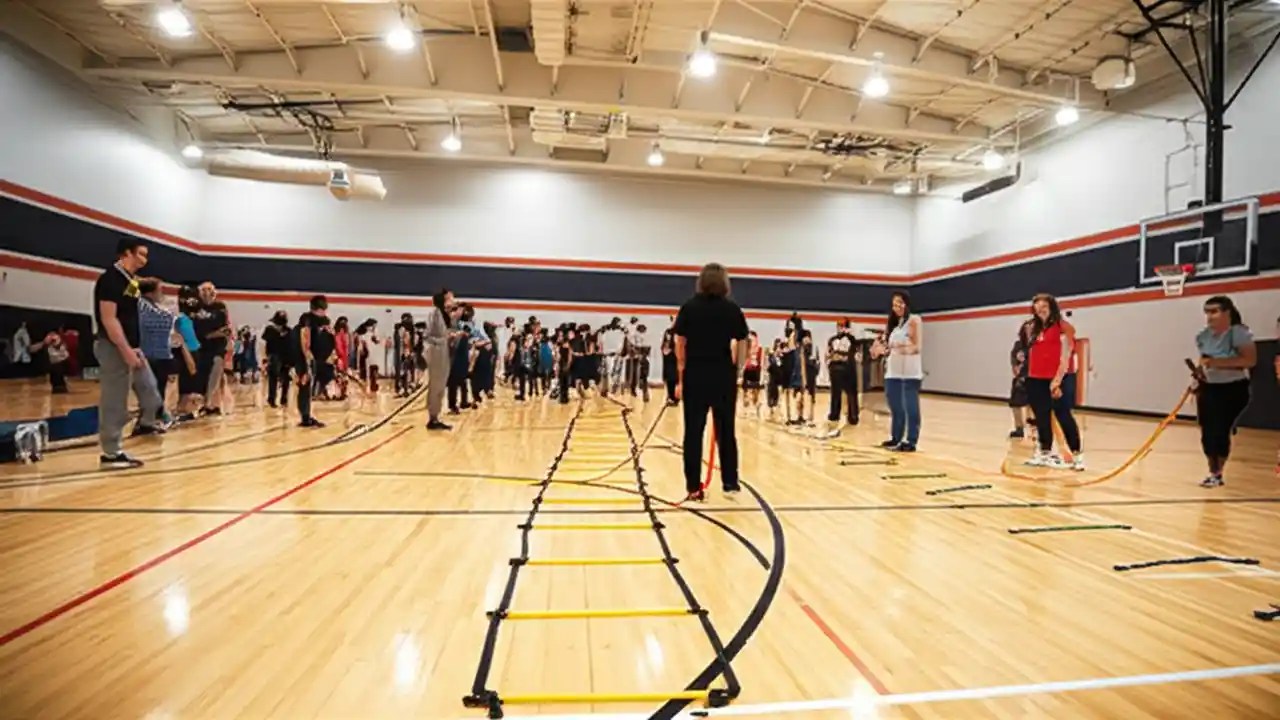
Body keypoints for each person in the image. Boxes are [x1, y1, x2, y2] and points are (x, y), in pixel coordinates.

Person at [674, 263, 749, 501]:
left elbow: (680, 342)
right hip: (723, 376)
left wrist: (682, 368)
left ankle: (693, 486)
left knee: (693, 432)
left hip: (696, 375)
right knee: (726, 430)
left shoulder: (689, 308)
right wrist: (738, 369)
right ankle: (730, 482)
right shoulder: (732, 309)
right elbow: (743, 341)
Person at [93, 237, 164, 468]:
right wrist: (124, 349)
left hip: (131, 347)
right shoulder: (110, 280)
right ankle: (111, 453)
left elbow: (130, 316)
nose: (145, 259)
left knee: (150, 390)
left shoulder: (131, 282)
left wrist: (135, 348)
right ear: (126, 253)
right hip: (113, 346)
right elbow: (109, 319)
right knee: (114, 399)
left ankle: (146, 423)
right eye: (141, 254)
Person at [1193, 296, 1256, 488]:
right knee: (1207, 432)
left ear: (1227, 313)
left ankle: (1218, 473)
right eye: (1207, 312)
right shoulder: (1203, 336)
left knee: (1220, 430)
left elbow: (1249, 361)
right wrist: (1198, 375)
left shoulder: (1238, 333)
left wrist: (1218, 364)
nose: (1210, 317)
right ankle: (1213, 471)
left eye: (1214, 312)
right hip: (1209, 387)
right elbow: (1203, 361)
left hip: (1232, 388)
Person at [1023, 293, 1084, 469]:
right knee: (1041, 416)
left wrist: (1057, 380)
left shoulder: (1064, 328)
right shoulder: (1033, 328)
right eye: (1037, 308)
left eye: (1044, 307)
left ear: (1052, 308)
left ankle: (1077, 456)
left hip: (1060, 377)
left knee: (1063, 415)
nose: (1040, 311)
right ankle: (1044, 453)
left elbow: (1065, 357)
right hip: (1036, 378)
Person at [873, 290, 923, 452]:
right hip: (893, 373)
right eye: (894, 304)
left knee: (910, 407)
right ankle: (896, 437)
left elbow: (917, 347)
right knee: (895, 408)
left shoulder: (914, 320)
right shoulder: (894, 326)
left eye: (900, 303)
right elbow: (886, 348)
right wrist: (880, 349)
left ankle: (911, 440)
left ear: (907, 303)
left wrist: (900, 348)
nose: (897, 307)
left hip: (909, 374)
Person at [137, 279, 177, 422]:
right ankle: (150, 418)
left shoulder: (150, 305)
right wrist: (170, 312)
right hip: (151, 353)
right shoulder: (142, 305)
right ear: (151, 292)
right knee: (152, 389)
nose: (162, 293)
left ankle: (158, 414)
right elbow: (162, 320)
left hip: (160, 353)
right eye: (160, 290)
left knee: (159, 388)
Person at [194, 282, 232, 415]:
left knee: (216, 367)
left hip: (218, 347)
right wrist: (212, 334)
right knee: (206, 375)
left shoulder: (220, 307)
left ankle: (209, 402)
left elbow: (226, 328)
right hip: (202, 346)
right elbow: (199, 331)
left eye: (209, 289)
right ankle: (212, 404)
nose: (206, 292)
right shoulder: (196, 308)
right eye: (204, 290)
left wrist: (222, 336)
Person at [291, 295, 328, 428]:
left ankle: (307, 415)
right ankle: (305, 418)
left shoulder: (320, 321)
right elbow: (304, 340)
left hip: (311, 358)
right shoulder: (307, 320)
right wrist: (307, 360)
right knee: (305, 385)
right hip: (303, 358)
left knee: (309, 387)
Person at [424, 288, 455, 430]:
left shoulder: (446, 315)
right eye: (450, 298)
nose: (452, 300)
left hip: (444, 353)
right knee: (435, 385)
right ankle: (432, 417)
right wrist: (443, 339)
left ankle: (436, 416)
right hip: (436, 353)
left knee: (442, 385)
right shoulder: (434, 313)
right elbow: (427, 335)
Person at [173, 287, 203, 421]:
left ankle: (186, 408)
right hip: (186, 350)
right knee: (187, 379)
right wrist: (185, 351)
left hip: (194, 349)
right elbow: (178, 337)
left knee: (192, 381)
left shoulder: (190, 318)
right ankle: (182, 408)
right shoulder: (178, 319)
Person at [825, 319, 860, 436]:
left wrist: (841, 356)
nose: (840, 328)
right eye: (838, 326)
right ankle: (834, 415)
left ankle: (853, 416)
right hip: (835, 369)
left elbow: (854, 354)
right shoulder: (832, 340)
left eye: (842, 326)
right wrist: (831, 360)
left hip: (848, 369)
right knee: (835, 393)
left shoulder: (852, 340)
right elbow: (829, 354)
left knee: (851, 393)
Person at [1008, 318, 1035, 440]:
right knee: (1016, 404)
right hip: (1021, 379)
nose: (1029, 330)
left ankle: (1034, 430)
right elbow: (1014, 358)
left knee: (1034, 406)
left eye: (1032, 328)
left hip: (1035, 379)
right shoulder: (1018, 345)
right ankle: (1019, 429)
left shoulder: (1038, 344)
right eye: (1027, 328)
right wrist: (1015, 367)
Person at [262, 311, 291, 408]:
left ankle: (283, 399)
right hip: (275, 356)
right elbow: (265, 345)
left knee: (285, 379)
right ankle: (272, 399)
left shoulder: (288, 331)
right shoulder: (270, 330)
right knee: (274, 378)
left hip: (284, 357)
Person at [29, 328, 71, 393]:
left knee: (58, 374)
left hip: (62, 364)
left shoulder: (61, 341)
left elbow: (59, 346)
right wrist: (44, 342)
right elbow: (32, 349)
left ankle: (61, 387)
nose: (51, 336)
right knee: (55, 378)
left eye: (53, 334)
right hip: (54, 366)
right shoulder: (48, 343)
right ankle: (58, 387)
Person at [660, 317, 679, 406]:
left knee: (675, 378)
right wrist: (664, 350)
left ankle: (675, 398)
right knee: (668, 377)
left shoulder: (680, 332)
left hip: (675, 358)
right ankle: (670, 396)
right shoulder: (668, 331)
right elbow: (664, 343)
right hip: (668, 358)